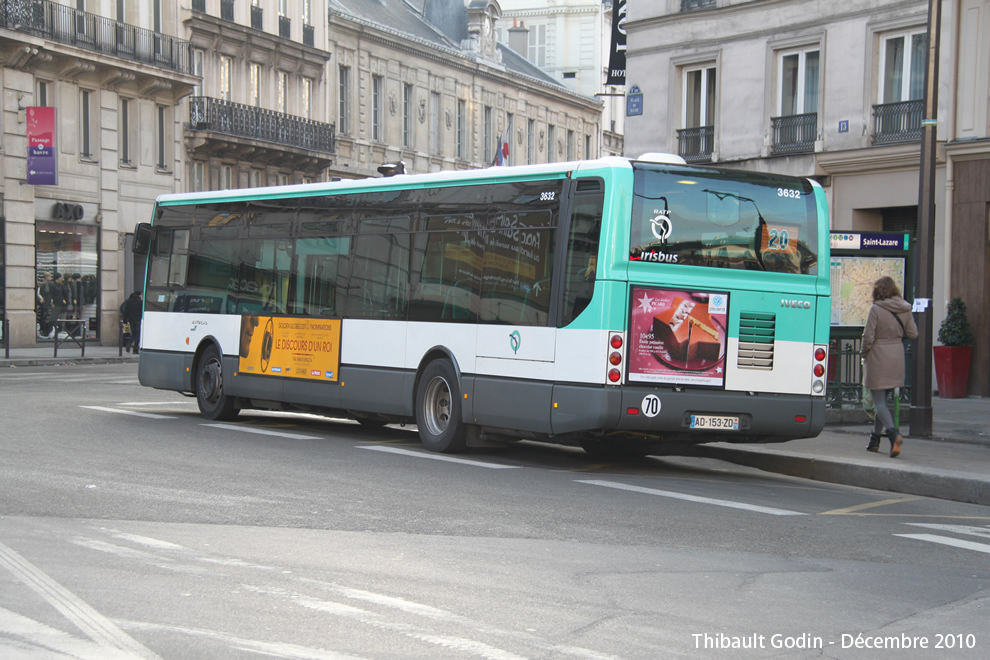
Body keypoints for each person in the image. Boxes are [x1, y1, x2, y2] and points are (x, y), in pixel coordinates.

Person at [860, 276, 918, 457]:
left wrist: (864, 352)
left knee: (878, 402)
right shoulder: (905, 308)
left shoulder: (876, 309)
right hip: (896, 356)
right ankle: (874, 440)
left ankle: (893, 434)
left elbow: (868, 336)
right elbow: (913, 333)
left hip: (878, 356)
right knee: (882, 402)